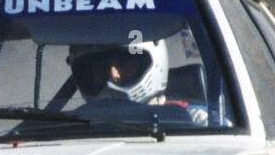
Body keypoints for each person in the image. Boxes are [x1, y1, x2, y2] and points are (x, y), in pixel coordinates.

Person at [67, 40, 208, 123]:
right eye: (100, 67)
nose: (113, 75)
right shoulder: (68, 126)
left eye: (124, 64)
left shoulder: (196, 122)